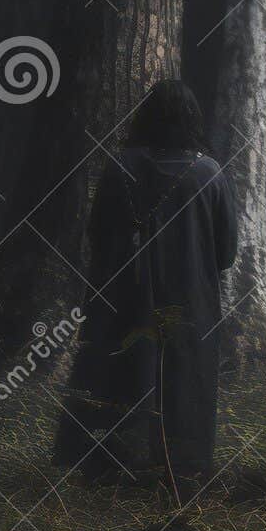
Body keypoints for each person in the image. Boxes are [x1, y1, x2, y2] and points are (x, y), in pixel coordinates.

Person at [55, 81, 237, 493]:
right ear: (193, 120)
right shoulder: (209, 173)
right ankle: (181, 467)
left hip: (123, 294)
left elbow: (97, 234)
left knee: (117, 370)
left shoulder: (121, 166)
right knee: (186, 379)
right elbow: (226, 251)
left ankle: (108, 465)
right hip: (191, 298)